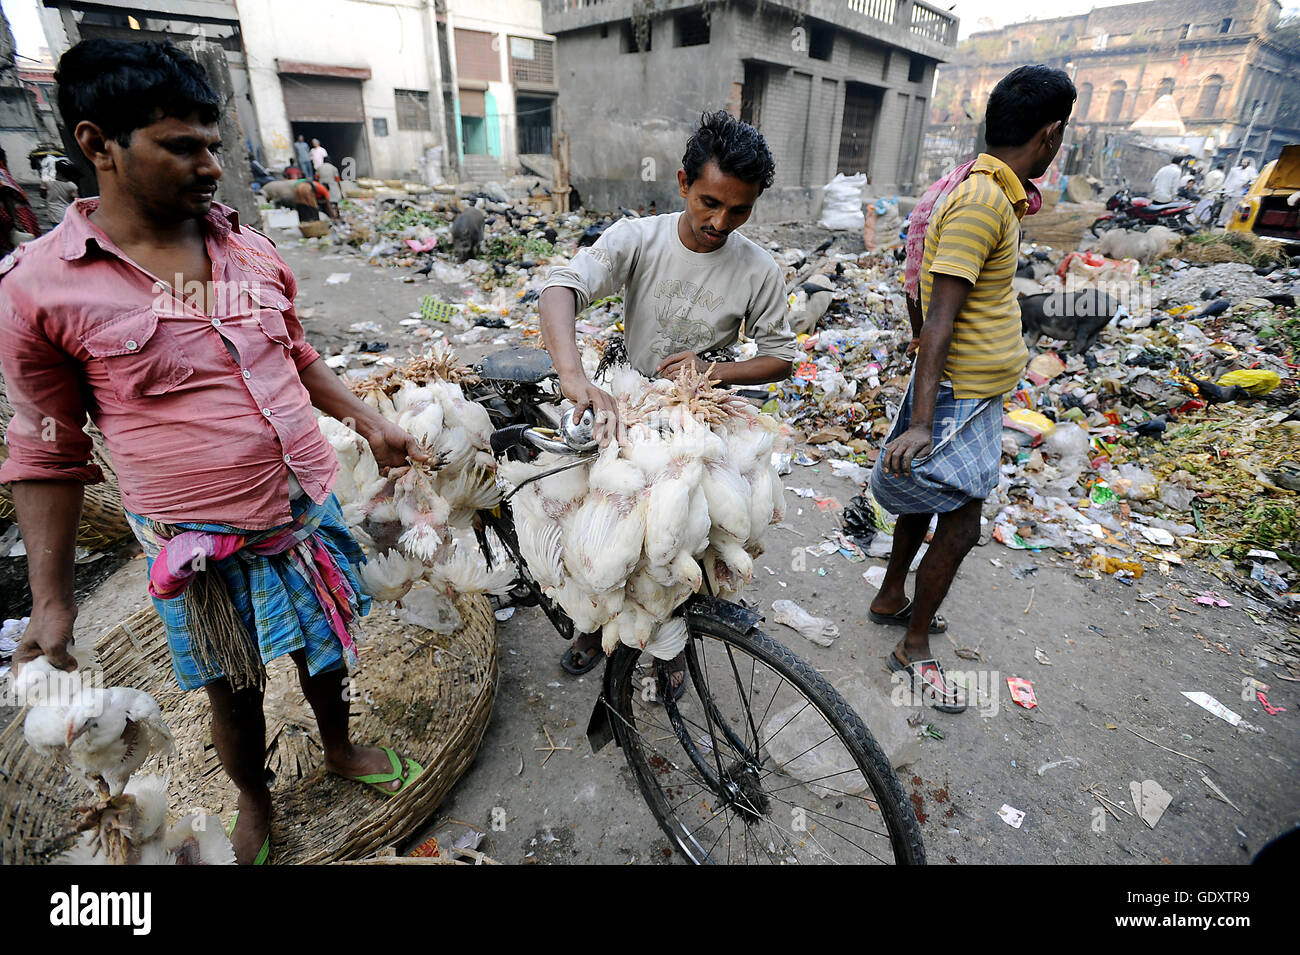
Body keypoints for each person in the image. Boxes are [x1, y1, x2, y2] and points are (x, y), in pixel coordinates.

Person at [0, 38, 429, 864]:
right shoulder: (42, 288)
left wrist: (368, 420)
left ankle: (338, 748)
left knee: (327, 648)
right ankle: (254, 797)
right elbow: (45, 451)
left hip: (303, 509)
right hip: (202, 548)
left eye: (213, 146)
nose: (209, 167)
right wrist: (50, 598)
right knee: (233, 689)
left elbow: (295, 353)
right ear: (98, 145)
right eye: (180, 146)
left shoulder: (244, 249)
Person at [538, 109, 797, 680]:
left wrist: (715, 371)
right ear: (683, 183)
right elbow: (560, 288)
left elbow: (782, 357)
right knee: (601, 521)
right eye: (709, 202)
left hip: (699, 407)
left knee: (688, 534)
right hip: (627, 395)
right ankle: (592, 624)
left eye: (739, 209)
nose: (721, 221)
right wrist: (573, 375)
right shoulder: (638, 239)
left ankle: (672, 640)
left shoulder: (758, 269)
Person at [868, 65, 1074, 713]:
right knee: (960, 524)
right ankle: (914, 645)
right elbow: (940, 317)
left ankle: (892, 595)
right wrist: (923, 420)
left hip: (965, 393)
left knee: (927, 504)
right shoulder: (983, 201)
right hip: (956, 397)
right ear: (1050, 134)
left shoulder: (983, 192)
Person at [0, 148, 43, 256]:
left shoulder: (1, 174)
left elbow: (6, 194)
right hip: (15, 213)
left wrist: (15, 220)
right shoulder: (3, 173)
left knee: (23, 249)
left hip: (13, 214)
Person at [1218, 157, 1258, 225]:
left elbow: (1255, 180)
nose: (1243, 164)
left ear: (1248, 164)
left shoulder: (1251, 171)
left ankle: (1228, 222)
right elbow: (1228, 179)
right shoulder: (1234, 170)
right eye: (1242, 163)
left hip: (1239, 193)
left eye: (1245, 163)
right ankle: (1221, 220)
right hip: (1229, 191)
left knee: (1234, 208)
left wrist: (1247, 184)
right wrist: (1223, 188)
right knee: (1226, 207)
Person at [43, 160, 79, 227]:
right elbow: (75, 201)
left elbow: (42, 194)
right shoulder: (72, 186)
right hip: (67, 214)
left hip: (53, 214)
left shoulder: (47, 181)